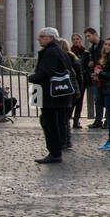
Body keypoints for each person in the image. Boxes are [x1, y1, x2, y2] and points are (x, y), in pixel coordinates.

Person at [27, 27, 74, 163]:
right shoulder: (59, 51)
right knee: (54, 122)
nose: (39, 39)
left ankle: (54, 152)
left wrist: (32, 78)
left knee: (49, 123)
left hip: (50, 96)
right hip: (58, 95)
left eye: (42, 36)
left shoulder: (50, 52)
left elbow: (46, 72)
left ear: (51, 38)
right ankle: (56, 150)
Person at [56, 38, 81, 149]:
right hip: (73, 90)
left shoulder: (61, 58)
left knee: (63, 118)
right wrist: (78, 90)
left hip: (63, 90)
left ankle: (64, 140)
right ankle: (67, 140)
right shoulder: (73, 57)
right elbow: (79, 76)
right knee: (66, 117)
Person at [83, 27, 104, 127]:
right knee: (97, 99)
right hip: (96, 76)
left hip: (103, 76)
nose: (87, 38)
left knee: (104, 99)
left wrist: (95, 63)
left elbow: (104, 60)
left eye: (89, 36)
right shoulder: (93, 47)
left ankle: (107, 121)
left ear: (95, 34)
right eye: (86, 36)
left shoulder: (104, 45)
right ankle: (98, 120)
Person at [69, 34, 89, 128]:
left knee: (80, 101)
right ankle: (68, 119)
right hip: (73, 79)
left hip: (82, 79)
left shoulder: (85, 52)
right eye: (74, 39)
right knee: (72, 101)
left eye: (77, 39)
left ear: (81, 40)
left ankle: (76, 120)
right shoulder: (70, 52)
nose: (76, 41)